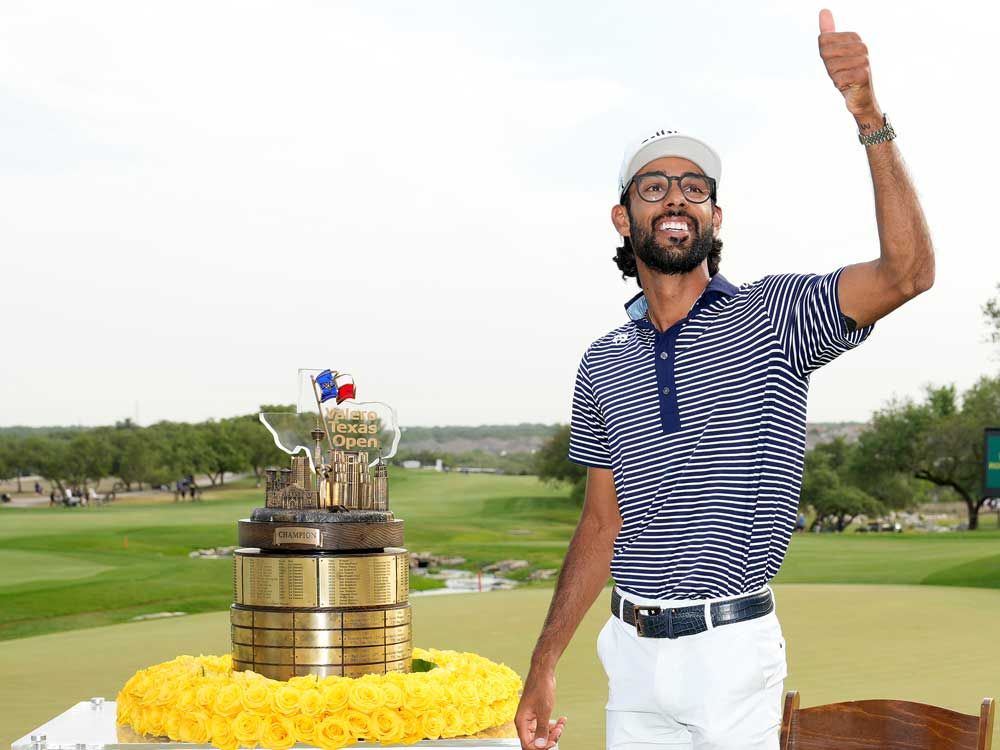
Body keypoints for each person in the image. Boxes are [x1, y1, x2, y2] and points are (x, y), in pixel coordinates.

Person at [514, 10, 934, 750]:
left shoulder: (773, 316)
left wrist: (869, 115)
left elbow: (908, 273)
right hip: (631, 653)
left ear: (714, 215)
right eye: (654, 187)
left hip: (731, 651)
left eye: (694, 187)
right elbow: (600, 524)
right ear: (623, 217)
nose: (676, 197)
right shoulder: (603, 358)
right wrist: (544, 661)